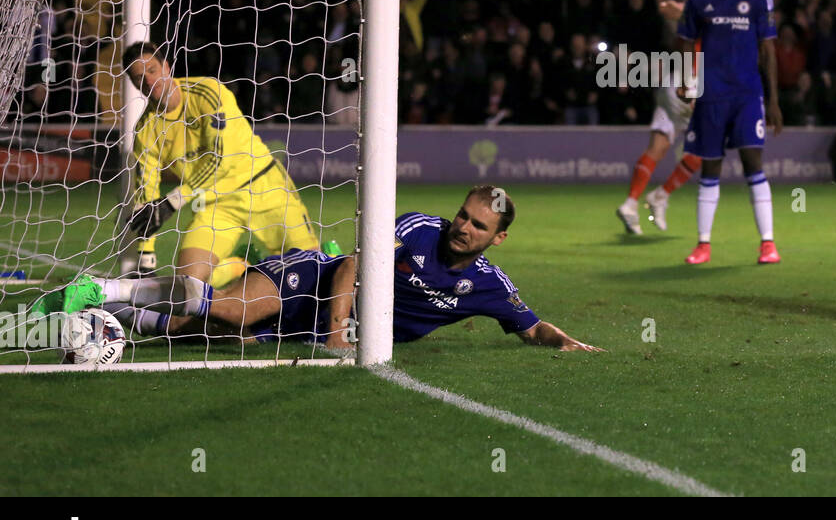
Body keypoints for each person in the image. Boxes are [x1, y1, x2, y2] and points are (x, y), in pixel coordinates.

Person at [41, 186, 604, 353]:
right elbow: (354, 265)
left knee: (204, 331)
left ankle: (110, 314)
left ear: (497, 238)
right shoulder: (418, 229)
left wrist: (571, 345)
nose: (463, 227)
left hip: (311, 326)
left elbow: (533, 327)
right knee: (235, 309)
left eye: (478, 226)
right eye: (463, 214)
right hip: (315, 277)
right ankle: (106, 284)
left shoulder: (488, 288)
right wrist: (339, 330)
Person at [116, 41, 320, 289]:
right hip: (216, 206)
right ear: (133, 84)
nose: (148, 81)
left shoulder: (208, 92)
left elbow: (219, 160)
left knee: (311, 271)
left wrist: (174, 200)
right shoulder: (146, 131)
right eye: (139, 78)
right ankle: (242, 267)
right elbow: (146, 196)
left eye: (152, 71)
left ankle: (317, 258)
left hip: (263, 185)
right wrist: (146, 259)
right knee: (188, 285)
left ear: (166, 67)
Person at [676, 0, 782, 264]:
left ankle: (768, 243)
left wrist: (774, 100)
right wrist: (687, 80)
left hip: (748, 94)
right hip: (711, 95)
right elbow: (683, 40)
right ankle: (703, 244)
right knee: (710, 166)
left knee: (754, 163)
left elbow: (768, 50)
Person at [615, 0, 705, 235]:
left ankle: (631, 204)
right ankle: (660, 195)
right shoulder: (708, 12)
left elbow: (667, 8)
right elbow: (668, 9)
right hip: (689, 85)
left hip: (670, 84)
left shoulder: (701, 13)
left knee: (659, 146)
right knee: (705, 148)